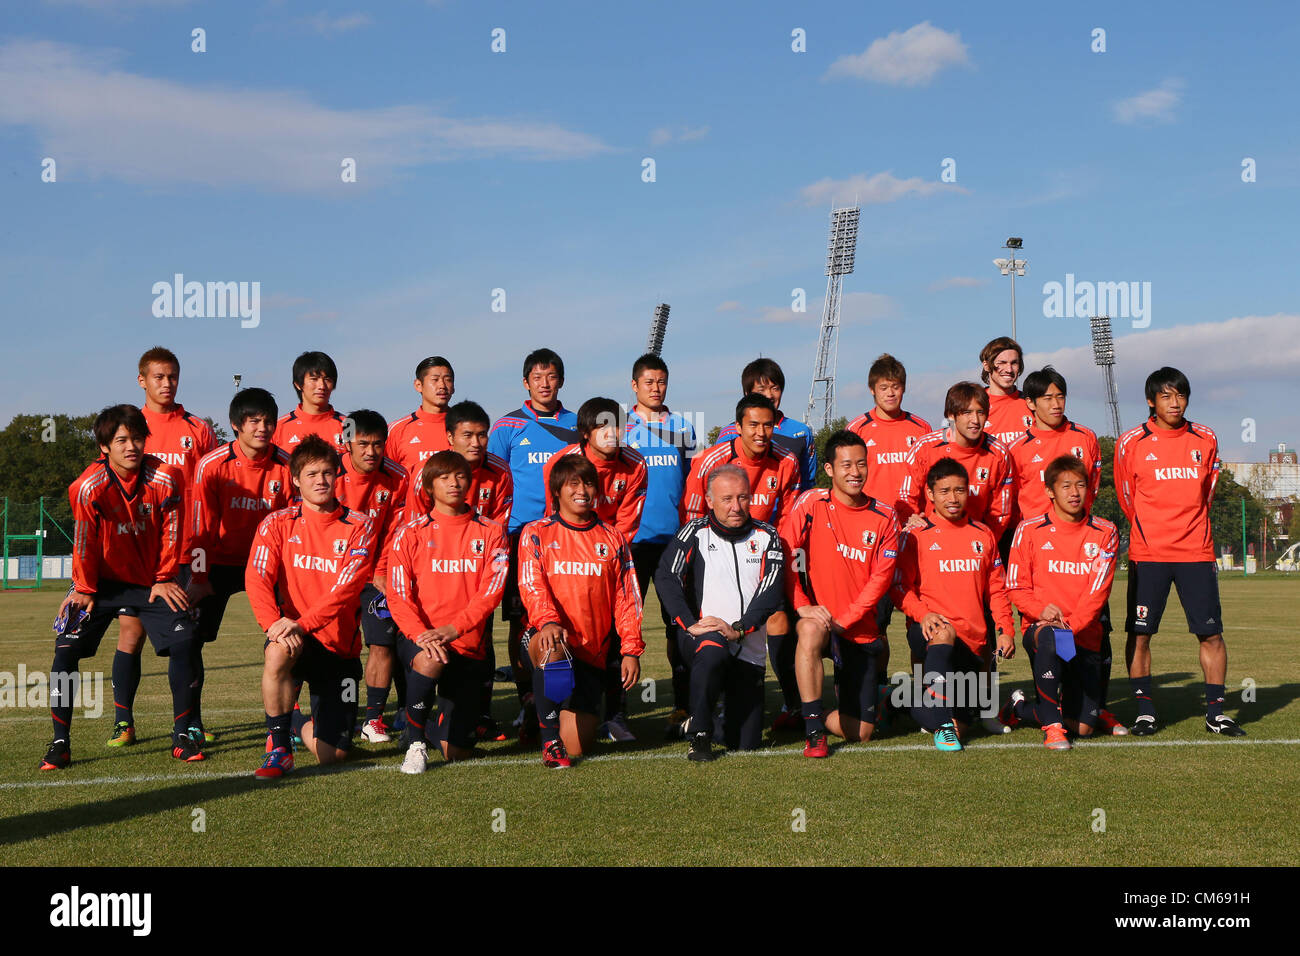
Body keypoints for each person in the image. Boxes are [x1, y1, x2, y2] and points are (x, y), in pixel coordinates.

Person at [40, 404, 203, 769]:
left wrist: (163, 579)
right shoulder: (87, 487)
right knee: (65, 650)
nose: (132, 446)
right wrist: (82, 588)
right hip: (100, 585)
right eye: (121, 440)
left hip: (151, 583)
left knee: (185, 640)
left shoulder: (166, 478)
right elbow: (83, 543)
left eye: (137, 438)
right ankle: (60, 743)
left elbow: (172, 534)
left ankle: (182, 735)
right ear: (104, 447)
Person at [90, 347, 217, 748]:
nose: (167, 384)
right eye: (158, 377)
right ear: (142, 380)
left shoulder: (197, 428)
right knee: (131, 633)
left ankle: (191, 721)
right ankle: (123, 722)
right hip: (135, 556)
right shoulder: (128, 426)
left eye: (173, 376)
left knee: (187, 636)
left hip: (180, 551)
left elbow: (205, 493)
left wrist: (199, 552)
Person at [1114, 367, 1243, 736]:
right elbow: (1127, 497)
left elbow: (1208, 493)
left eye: (1181, 395)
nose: (1175, 403)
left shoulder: (1206, 438)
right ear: (1151, 402)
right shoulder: (1130, 443)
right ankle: (1144, 712)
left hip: (1196, 554)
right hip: (1148, 554)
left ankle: (1216, 713)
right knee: (1140, 635)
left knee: (1211, 635)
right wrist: (1151, 530)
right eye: (1166, 396)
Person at [246, 436, 377, 778]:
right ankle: (279, 748)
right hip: (294, 639)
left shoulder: (359, 526)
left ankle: (293, 720)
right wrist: (272, 624)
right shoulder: (277, 523)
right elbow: (257, 576)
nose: (320, 480)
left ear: (338, 476)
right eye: (311, 474)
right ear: (295, 479)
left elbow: (346, 589)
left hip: (339, 649)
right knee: (276, 651)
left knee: (332, 755)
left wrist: (300, 623)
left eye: (327, 473)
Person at [517, 455, 644, 768]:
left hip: (591, 652)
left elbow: (627, 598)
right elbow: (532, 586)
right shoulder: (536, 532)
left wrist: (630, 650)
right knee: (553, 649)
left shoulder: (613, 538)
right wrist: (547, 622)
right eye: (573, 483)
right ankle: (549, 741)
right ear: (557, 491)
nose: (583, 490)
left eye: (588, 482)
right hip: (545, 638)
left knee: (579, 745)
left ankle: (541, 711)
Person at [386, 451, 510, 773]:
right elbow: (398, 596)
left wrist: (455, 629)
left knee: (457, 751)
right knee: (429, 659)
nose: (453, 483)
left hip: (466, 643)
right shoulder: (409, 533)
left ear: (470, 482)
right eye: (444, 477)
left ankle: (433, 726)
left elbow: (490, 593)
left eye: (460, 476)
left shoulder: (492, 532)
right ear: (429, 485)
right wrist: (421, 636)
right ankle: (415, 744)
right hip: (422, 639)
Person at [655, 464, 786, 761]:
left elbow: (771, 592)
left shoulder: (768, 536)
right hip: (705, 638)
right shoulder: (695, 532)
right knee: (714, 648)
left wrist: (739, 628)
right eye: (726, 499)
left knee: (745, 743)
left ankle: (695, 721)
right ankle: (699, 735)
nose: (736, 506)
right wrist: (689, 624)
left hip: (748, 646)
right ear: (710, 500)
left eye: (742, 497)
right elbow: (665, 576)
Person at [781, 431, 900, 757]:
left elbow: (880, 580)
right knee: (808, 628)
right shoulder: (810, 504)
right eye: (846, 464)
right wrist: (803, 606)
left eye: (861, 464)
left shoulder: (886, 516)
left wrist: (845, 621)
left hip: (857, 629)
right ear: (829, 469)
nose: (855, 472)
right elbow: (786, 553)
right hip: (820, 619)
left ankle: (872, 703)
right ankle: (813, 730)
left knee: (861, 734)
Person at [685, 393, 801, 727]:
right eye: (753, 425)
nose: (761, 432)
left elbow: (789, 518)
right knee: (716, 628)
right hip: (716, 555)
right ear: (738, 427)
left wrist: (774, 554)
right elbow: (692, 513)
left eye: (768, 424)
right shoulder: (713, 460)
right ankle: (703, 706)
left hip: (762, 555)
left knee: (774, 619)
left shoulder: (787, 461)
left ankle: (792, 702)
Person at [188, 387, 294, 741]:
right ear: (236, 425)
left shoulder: (287, 464)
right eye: (254, 421)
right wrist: (200, 576)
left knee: (285, 636)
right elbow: (201, 527)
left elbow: (294, 523)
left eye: (267, 421)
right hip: (218, 562)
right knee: (191, 640)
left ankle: (287, 719)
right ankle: (191, 722)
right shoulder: (212, 465)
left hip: (269, 564)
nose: (262, 428)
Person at [542, 396, 647, 742]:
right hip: (567, 558)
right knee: (551, 634)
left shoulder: (635, 464)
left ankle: (616, 715)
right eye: (604, 426)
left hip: (610, 556)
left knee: (619, 635)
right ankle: (542, 714)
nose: (613, 433)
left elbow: (627, 525)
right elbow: (553, 518)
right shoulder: (561, 462)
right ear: (586, 433)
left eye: (617, 425)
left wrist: (605, 556)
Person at [892, 458, 1015, 751]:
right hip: (930, 633)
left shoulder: (983, 534)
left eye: (959, 490)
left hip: (972, 645)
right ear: (930, 494)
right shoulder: (915, 535)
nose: (953, 497)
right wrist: (923, 615)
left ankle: (895, 699)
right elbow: (899, 588)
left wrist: (1006, 629)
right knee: (943, 631)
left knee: (962, 724)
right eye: (944, 490)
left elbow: (996, 589)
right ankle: (940, 720)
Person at [486, 348, 579, 740]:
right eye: (537, 377)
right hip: (519, 536)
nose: (544, 383)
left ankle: (567, 697)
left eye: (552, 376)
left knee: (568, 615)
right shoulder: (506, 426)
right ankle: (527, 699)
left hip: (569, 536)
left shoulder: (577, 424)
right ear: (526, 382)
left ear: (560, 381)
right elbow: (492, 481)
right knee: (519, 619)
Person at [1003, 456, 1119, 749]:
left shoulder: (1106, 532)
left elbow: (1098, 593)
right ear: (1050, 491)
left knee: (1082, 727)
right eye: (1066, 486)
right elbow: (1016, 587)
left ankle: (1018, 708)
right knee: (1053, 638)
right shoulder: (1029, 530)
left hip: (1082, 633)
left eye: (1081, 485)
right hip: (1043, 631)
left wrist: (1070, 626)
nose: (1074, 492)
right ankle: (1052, 729)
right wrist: (1040, 610)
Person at [624, 353, 696, 734]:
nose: (656, 388)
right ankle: (615, 711)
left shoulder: (682, 428)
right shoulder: (619, 427)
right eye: (648, 382)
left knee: (678, 626)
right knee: (623, 625)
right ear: (634, 385)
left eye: (661, 381)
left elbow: (691, 484)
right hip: (631, 542)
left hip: (673, 542)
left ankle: (683, 708)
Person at [334, 409, 410, 743]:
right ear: (348, 443)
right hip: (333, 578)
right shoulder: (330, 472)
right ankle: (311, 717)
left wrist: (381, 571)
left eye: (378, 444)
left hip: (373, 577)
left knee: (382, 642)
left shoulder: (398, 476)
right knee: (337, 650)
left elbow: (396, 530)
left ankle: (374, 719)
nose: (371, 451)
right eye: (363, 443)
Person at [846, 352, 930, 640]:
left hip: (913, 532)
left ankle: (923, 684)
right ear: (872, 390)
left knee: (918, 618)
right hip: (872, 533)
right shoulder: (857, 429)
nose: (890, 393)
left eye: (896, 386)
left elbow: (929, 481)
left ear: (904, 388)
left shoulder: (921, 429)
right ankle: (875, 683)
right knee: (874, 617)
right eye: (884, 387)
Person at [896, 382, 1015, 541]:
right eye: (967, 412)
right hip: (933, 541)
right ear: (951, 415)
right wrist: (911, 519)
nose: (975, 420)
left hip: (975, 543)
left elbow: (1001, 512)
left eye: (980, 412)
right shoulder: (926, 447)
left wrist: (985, 543)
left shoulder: (998, 453)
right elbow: (906, 496)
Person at [713, 358, 817, 491]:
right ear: (747, 394)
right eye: (761, 390)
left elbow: (807, 484)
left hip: (788, 510)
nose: (769, 395)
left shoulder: (801, 433)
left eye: (775, 388)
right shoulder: (730, 433)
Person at [387, 356, 455, 514]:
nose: (442, 386)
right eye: (435, 379)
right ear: (418, 385)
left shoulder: (464, 428)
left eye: (448, 380)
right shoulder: (397, 430)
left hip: (455, 522)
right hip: (411, 522)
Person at [273, 350, 346, 450]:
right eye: (314, 379)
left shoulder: (349, 425)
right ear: (298, 384)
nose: (321, 386)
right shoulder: (278, 428)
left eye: (327, 379)